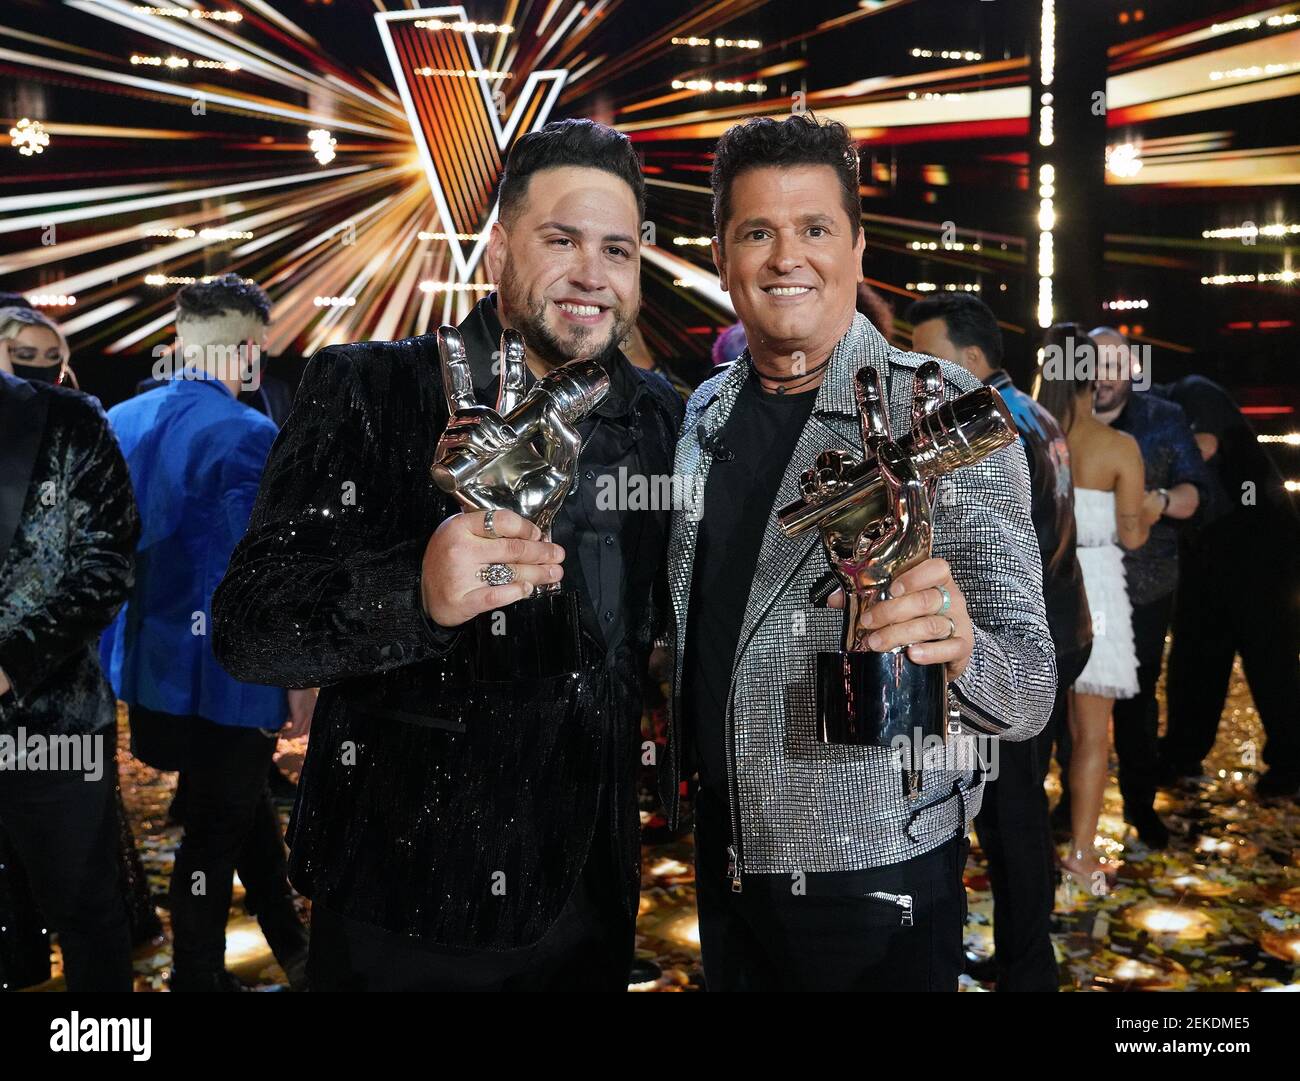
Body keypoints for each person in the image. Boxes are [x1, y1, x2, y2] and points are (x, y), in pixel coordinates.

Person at [211, 119, 683, 991]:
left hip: (597, 894)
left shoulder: (664, 417)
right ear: (500, 245)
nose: (592, 272)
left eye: (616, 249)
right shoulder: (370, 386)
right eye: (561, 239)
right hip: (409, 896)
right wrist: (412, 593)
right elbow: (250, 625)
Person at [661, 114, 1055, 992]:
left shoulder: (940, 409)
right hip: (726, 858)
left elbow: (1027, 686)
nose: (784, 257)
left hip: (878, 871)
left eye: (814, 229)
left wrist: (958, 644)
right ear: (723, 256)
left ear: (857, 246)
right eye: (757, 231)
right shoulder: (702, 415)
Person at [99, 274, 311, 992]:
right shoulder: (250, 433)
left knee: (237, 810)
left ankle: (295, 950)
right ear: (250, 351)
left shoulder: (120, 419)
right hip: (229, 678)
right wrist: (300, 679)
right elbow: (259, 577)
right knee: (214, 836)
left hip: (149, 670)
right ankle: (197, 979)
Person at [910, 296, 1091, 990]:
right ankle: (1023, 949)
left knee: (1008, 809)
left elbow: (1004, 557)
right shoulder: (1036, 411)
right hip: (1060, 626)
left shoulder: (989, 427)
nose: (916, 374)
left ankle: (1025, 963)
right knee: (1018, 804)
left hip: (1018, 646)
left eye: (930, 358)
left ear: (974, 361)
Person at [0, 350, 139, 991]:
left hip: (52, 726)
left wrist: (11, 663)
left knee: (84, 910)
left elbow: (107, 562)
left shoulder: (66, 419)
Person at [1037, 325, 1157, 884]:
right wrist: (1153, 505)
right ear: (1092, 378)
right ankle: (1081, 859)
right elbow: (1133, 537)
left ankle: (1023, 846)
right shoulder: (1117, 447)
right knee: (1091, 735)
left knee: (1023, 731)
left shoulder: (1027, 436)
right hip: (1097, 591)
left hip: (1033, 585)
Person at [1155, 374, 1300, 798]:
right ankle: (1182, 753)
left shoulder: (1195, 391)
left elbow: (1205, 446)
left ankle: (1291, 763)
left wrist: (1143, 479)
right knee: (1196, 654)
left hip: (1261, 546)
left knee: (1268, 657)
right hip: (1210, 545)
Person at [1090, 327, 1207, 849]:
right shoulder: (1061, 418)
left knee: (1136, 703)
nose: (1102, 376)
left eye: (1114, 366)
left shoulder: (1163, 418)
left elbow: (1193, 492)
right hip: (1077, 586)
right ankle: (1074, 808)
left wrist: (1154, 499)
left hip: (1144, 583)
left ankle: (1141, 808)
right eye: (1092, 364)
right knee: (1074, 699)